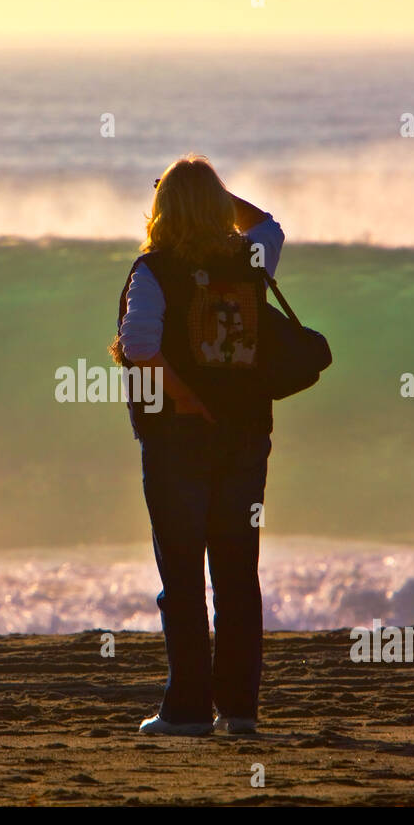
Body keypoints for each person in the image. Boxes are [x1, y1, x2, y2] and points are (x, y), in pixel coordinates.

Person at [113, 155, 284, 735]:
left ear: (161, 210)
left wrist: (184, 401)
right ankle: (239, 711)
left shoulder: (154, 269)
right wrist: (218, 197)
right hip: (245, 438)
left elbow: (137, 345)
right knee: (237, 572)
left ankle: (186, 711)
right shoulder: (248, 258)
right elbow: (269, 225)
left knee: (183, 577)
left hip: (177, 443)